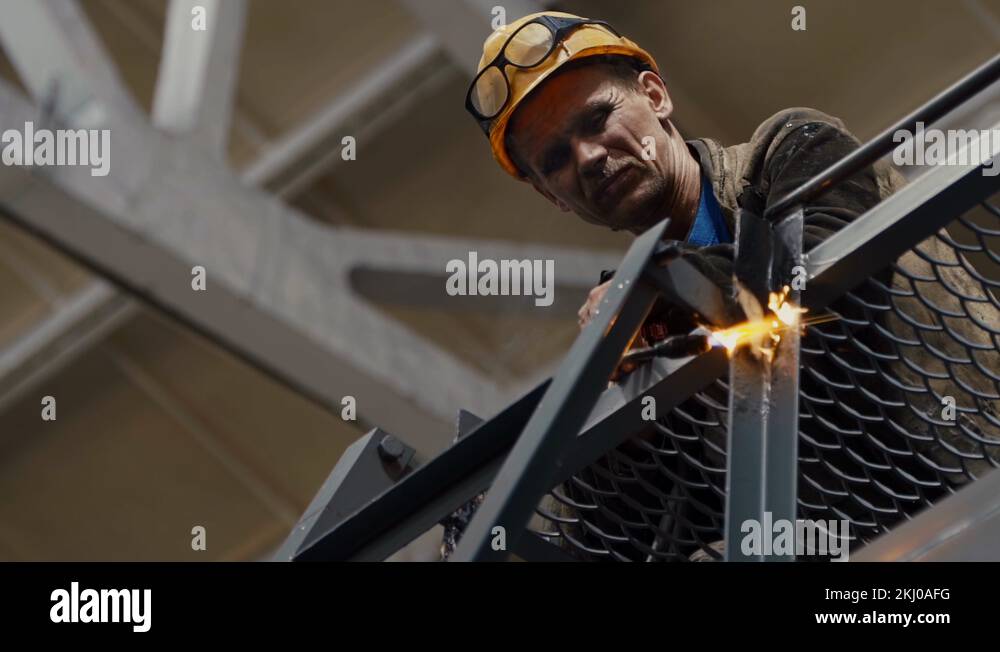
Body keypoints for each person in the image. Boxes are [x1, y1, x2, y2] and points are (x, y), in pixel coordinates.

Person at [445, 10, 1000, 561]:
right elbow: (623, 531)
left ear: (656, 95)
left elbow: (823, 280)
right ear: (553, 196)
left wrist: (658, 302)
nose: (588, 157)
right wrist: (620, 428)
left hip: (975, 476)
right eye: (556, 159)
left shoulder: (787, 150)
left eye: (596, 120)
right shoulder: (632, 335)